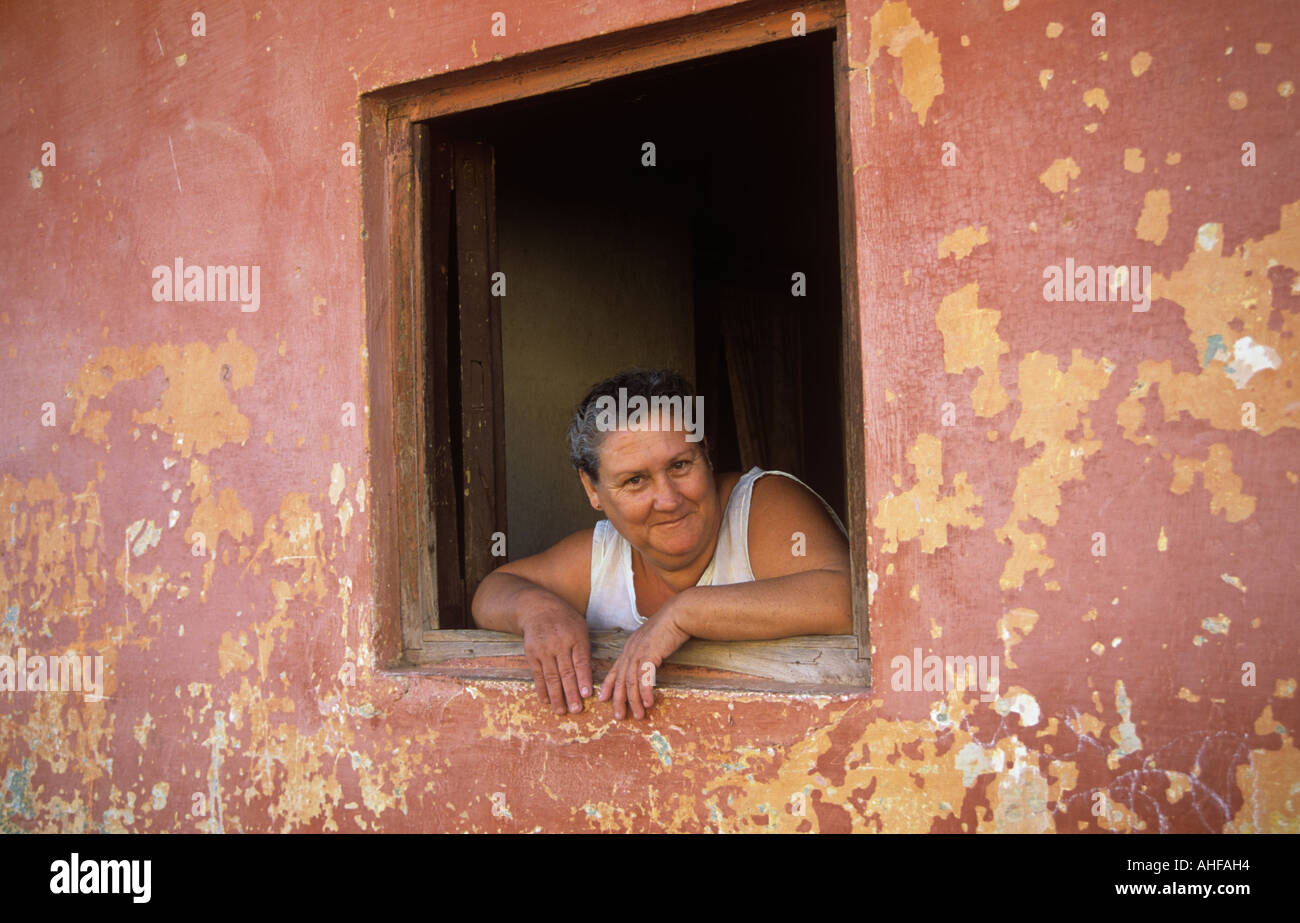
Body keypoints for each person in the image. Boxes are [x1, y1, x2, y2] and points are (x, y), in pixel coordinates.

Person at [471, 368, 850, 720]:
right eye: (635, 480)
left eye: (680, 466)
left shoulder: (762, 506)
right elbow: (493, 590)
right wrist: (537, 611)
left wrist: (685, 612)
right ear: (592, 489)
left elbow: (848, 598)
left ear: (706, 453)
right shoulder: (602, 556)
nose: (668, 499)